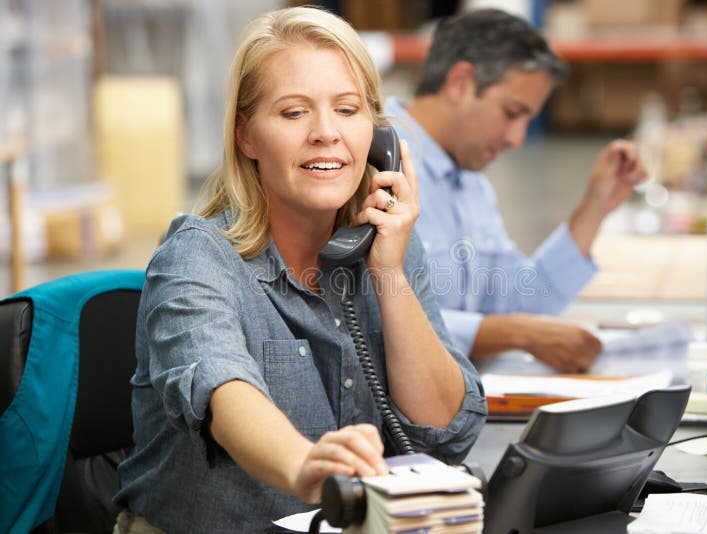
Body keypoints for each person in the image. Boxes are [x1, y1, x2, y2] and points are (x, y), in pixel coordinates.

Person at [113, 7, 486, 533]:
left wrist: (389, 275)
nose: (326, 133)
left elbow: (447, 432)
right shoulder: (196, 258)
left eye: (348, 109)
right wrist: (303, 465)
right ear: (246, 136)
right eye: (293, 113)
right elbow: (225, 392)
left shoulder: (388, 242)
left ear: (377, 136)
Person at [386, 8, 647, 373]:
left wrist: (596, 207)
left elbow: (522, 302)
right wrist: (516, 333)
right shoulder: (372, 165)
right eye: (511, 113)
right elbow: (377, 320)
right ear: (460, 83)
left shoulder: (471, 185)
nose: (516, 139)